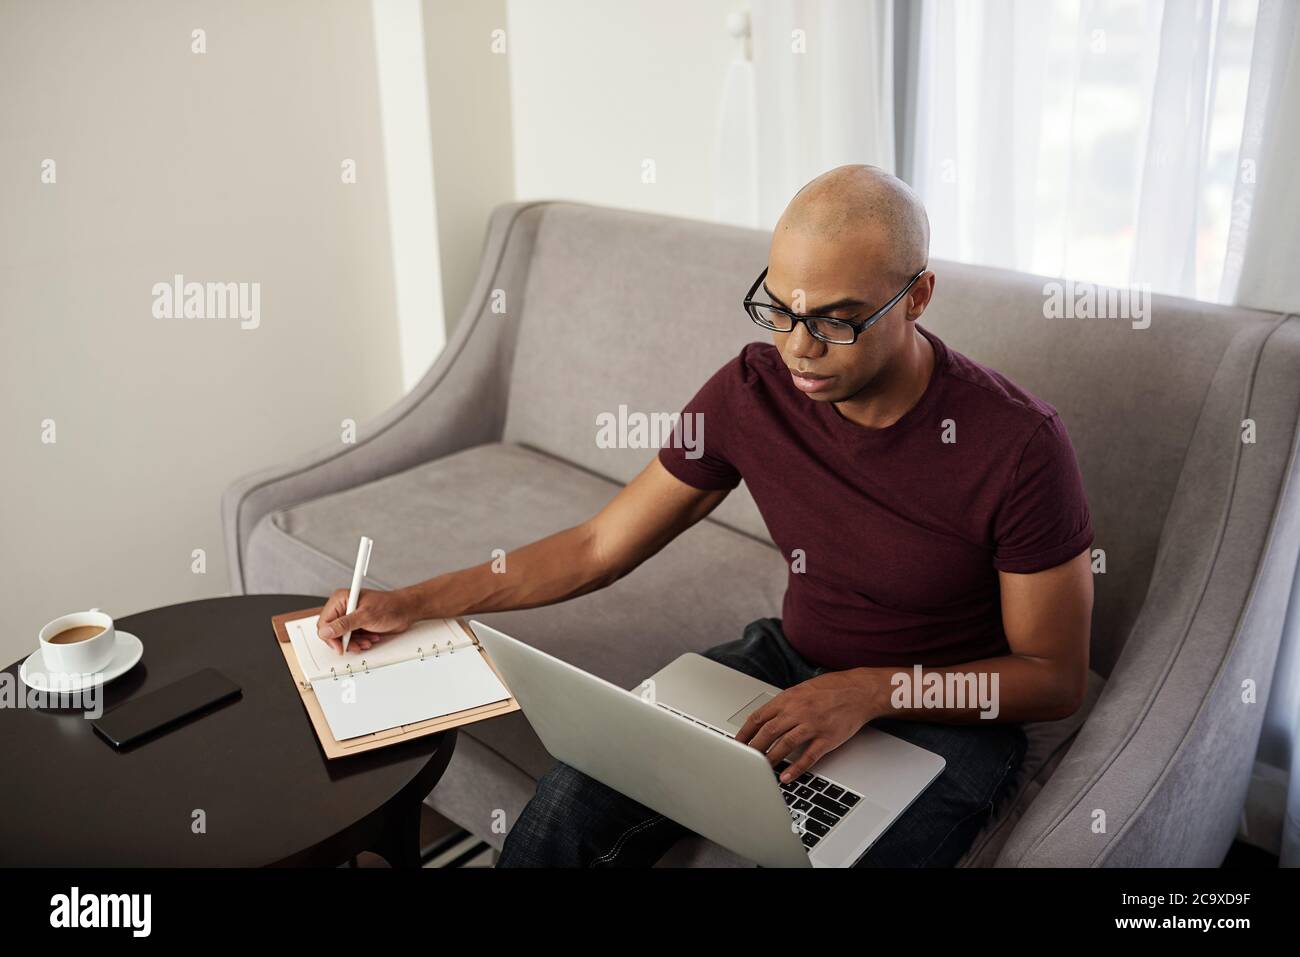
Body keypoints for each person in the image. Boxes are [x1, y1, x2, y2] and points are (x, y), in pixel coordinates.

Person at [315, 165, 1095, 867]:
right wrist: (410, 602)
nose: (799, 349)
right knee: (560, 815)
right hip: (791, 661)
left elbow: (1052, 679)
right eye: (781, 311)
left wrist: (870, 690)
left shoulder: (1018, 444)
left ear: (917, 296)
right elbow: (597, 545)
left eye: (835, 320)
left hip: (946, 716)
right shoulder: (752, 392)